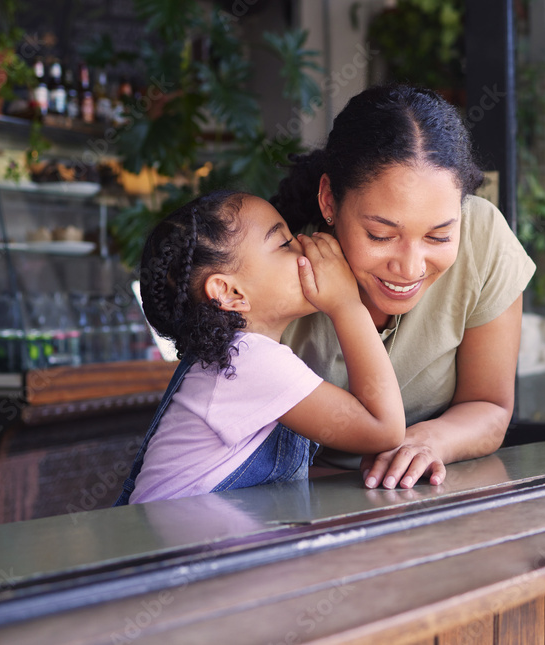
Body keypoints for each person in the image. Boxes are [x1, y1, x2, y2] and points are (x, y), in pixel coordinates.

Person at [271, 84, 536, 491]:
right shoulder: (278, 272)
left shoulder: (482, 236)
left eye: (439, 236)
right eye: (380, 235)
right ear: (329, 200)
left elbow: (490, 406)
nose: (410, 268)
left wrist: (429, 441)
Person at [113, 190, 405, 505]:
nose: (305, 244)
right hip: (176, 550)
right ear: (229, 292)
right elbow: (384, 429)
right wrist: (347, 304)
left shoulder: (242, 357)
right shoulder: (249, 360)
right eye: (284, 243)